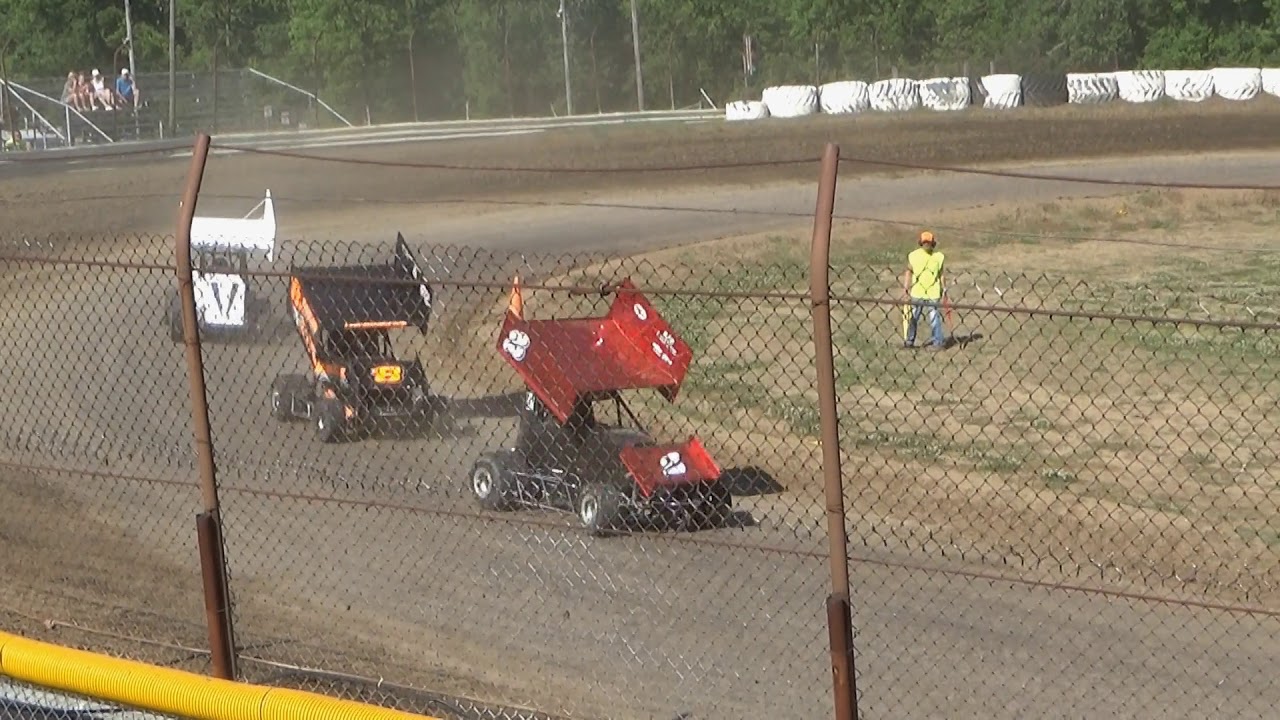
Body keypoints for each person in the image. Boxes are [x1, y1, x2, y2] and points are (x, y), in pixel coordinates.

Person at [902, 230, 946, 351]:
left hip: (933, 292)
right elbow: (908, 272)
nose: (927, 245)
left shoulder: (939, 257)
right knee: (913, 318)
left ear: (933, 243)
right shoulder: (913, 255)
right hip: (917, 292)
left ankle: (938, 342)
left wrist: (944, 289)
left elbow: (941, 274)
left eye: (929, 242)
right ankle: (909, 341)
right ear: (921, 243)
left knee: (934, 318)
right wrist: (906, 288)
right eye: (924, 242)